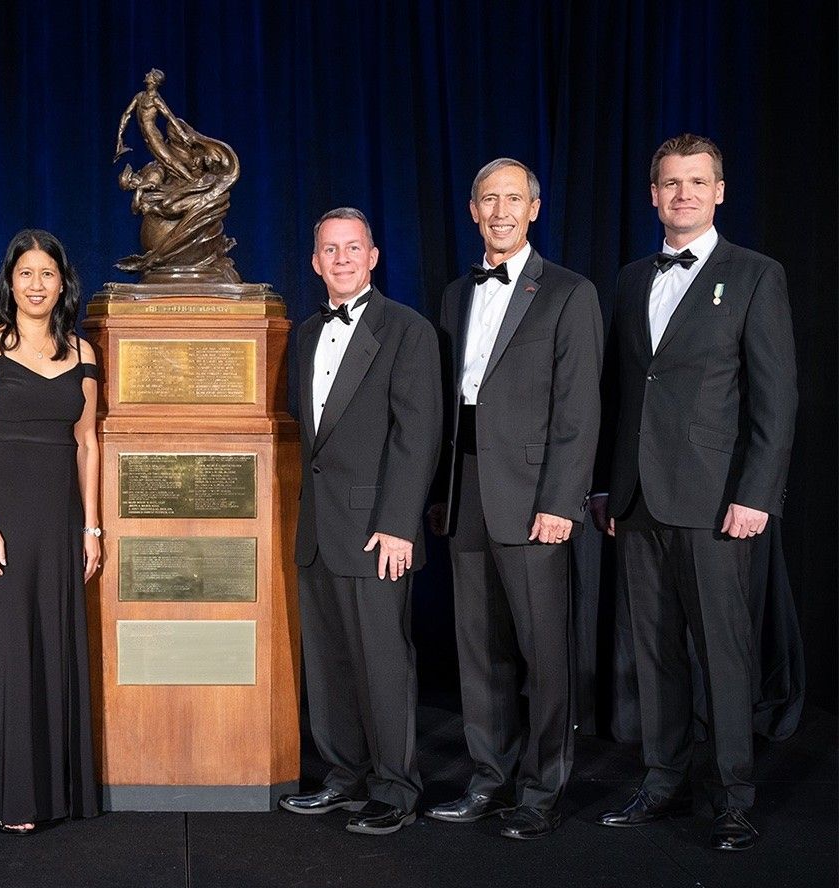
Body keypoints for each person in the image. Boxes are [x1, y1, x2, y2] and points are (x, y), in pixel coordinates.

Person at [590, 134, 797, 851]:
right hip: (637, 501)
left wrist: (756, 493)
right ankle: (662, 780)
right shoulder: (627, 279)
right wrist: (604, 490)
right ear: (653, 195)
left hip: (718, 504)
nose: (683, 194)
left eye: (697, 181)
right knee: (655, 652)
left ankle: (734, 795)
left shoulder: (754, 275)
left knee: (725, 652)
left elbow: (777, 401)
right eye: (670, 183)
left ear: (719, 191)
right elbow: (619, 395)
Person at [426, 159, 603, 839]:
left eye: (513, 199)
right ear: (473, 211)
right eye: (488, 200)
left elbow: (578, 409)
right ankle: (489, 778)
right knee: (479, 648)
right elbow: (452, 405)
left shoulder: (568, 292)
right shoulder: (453, 295)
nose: (500, 211)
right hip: (467, 490)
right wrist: (442, 493)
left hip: (534, 497)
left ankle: (542, 791)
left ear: (534, 208)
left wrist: (562, 500)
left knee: (543, 652)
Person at [278, 208, 441, 836]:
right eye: (330, 250)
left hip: (378, 531)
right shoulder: (304, 334)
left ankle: (395, 787)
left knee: (382, 662)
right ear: (316, 262)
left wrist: (400, 523)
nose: (342, 259)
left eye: (354, 248)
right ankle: (342, 777)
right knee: (328, 661)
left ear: (373, 256)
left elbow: (417, 435)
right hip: (318, 530)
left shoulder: (408, 330)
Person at [0, 229, 101, 834]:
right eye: (25, 274)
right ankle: (13, 796)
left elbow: (87, 442)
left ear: (62, 282)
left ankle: (58, 791)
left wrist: (91, 527)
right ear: (9, 283)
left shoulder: (83, 353)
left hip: (61, 520)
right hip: (5, 518)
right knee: (11, 650)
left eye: (47, 273)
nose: (36, 285)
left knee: (54, 642)